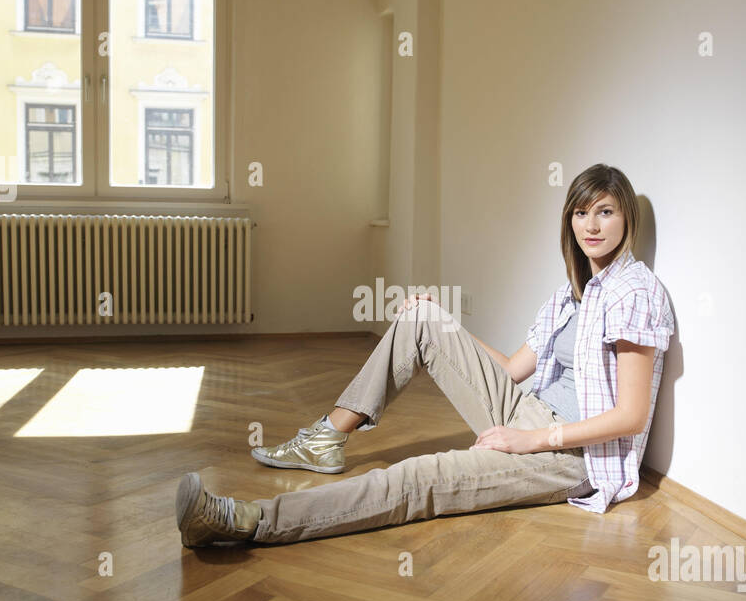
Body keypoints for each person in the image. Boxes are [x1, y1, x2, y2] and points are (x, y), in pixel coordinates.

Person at [175, 162, 675, 547]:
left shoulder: (634, 292)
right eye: (581, 212)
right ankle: (325, 438)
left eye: (605, 211)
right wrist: (442, 320)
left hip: (571, 455)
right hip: (530, 413)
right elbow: (511, 369)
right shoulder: (573, 293)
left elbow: (630, 417)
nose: (591, 225)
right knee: (420, 317)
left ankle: (246, 521)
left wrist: (530, 441)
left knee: (422, 476)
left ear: (625, 216)